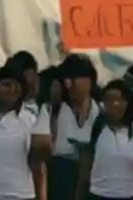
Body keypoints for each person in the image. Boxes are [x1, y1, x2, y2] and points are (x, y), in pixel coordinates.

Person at [0, 64, 52, 200]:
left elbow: (38, 166)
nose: (12, 89)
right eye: (6, 84)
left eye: (16, 85)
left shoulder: (31, 119)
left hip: (19, 194)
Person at [77, 80, 133, 200]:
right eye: (109, 99)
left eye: (119, 100)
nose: (114, 104)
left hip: (131, 195)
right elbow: (84, 171)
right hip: (98, 195)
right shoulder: (97, 127)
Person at [47, 54, 100, 200]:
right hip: (59, 178)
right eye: (65, 80)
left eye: (74, 80)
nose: (69, 85)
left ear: (89, 80)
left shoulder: (101, 113)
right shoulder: (54, 111)